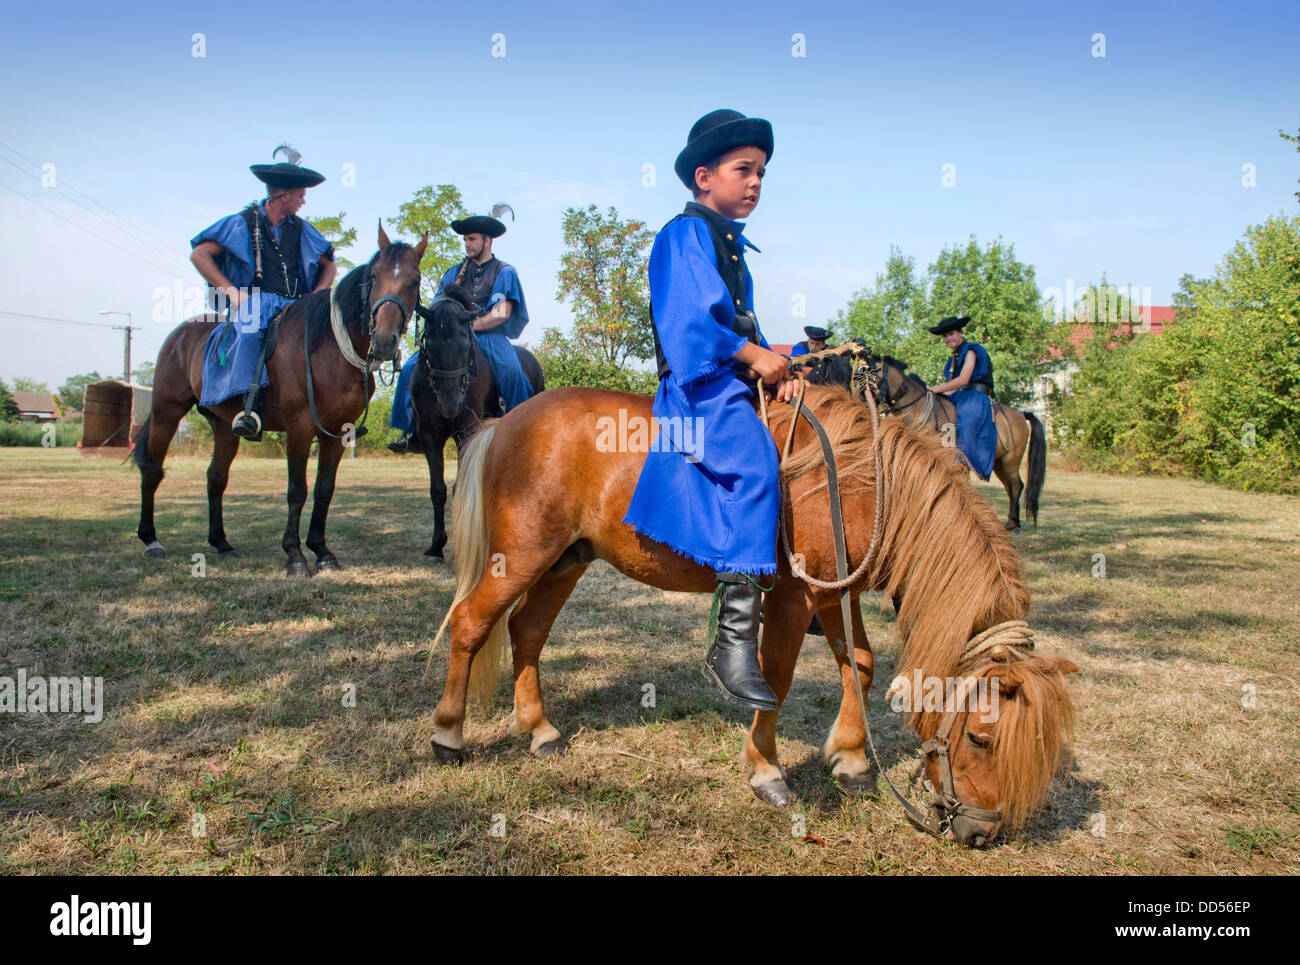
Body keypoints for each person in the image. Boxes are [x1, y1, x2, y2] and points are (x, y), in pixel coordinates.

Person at [624, 109, 797, 712]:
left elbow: (742, 322)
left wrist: (777, 367)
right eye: (743, 169)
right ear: (704, 175)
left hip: (731, 377)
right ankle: (730, 645)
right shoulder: (684, 233)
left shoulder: (728, 241)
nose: (755, 182)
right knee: (754, 468)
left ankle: (799, 590)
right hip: (700, 388)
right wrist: (751, 355)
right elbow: (691, 325)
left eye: (762, 173)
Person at [190, 147, 336, 439]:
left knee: (330, 334)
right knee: (248, 329)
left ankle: (333, 408)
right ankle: (248, 408)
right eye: (300, 195)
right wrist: (232, 293)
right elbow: (200, 255)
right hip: (255, 301)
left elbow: (329, 265)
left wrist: (318, 296)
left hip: (296, 304)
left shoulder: (303, 229)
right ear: (283, 196)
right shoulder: (241, 223)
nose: (304, 200)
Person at [388, 213, 531, 453]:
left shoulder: (504, 271)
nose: (467, 244)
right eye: (465, 240)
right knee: (411, 367)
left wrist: (472, 325)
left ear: (488, 241)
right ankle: (413, 431)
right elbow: (436, 306)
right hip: (452, 337)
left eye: (472, 239)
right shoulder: (452, 273)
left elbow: (502, 312)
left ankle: (521, 431)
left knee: (512, 370)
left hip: (489, 335)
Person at [928, 314, 997, 480]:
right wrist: (932, 394)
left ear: (960, 333)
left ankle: (963, 464)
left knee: (964, 425)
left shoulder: (972, 350)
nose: (947, 338)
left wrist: (936, 389)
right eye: (944, 336)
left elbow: (964, 379)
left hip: (975, 397)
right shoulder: (953, 358)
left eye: (950, 334)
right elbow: (953, 386)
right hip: (959, 396)